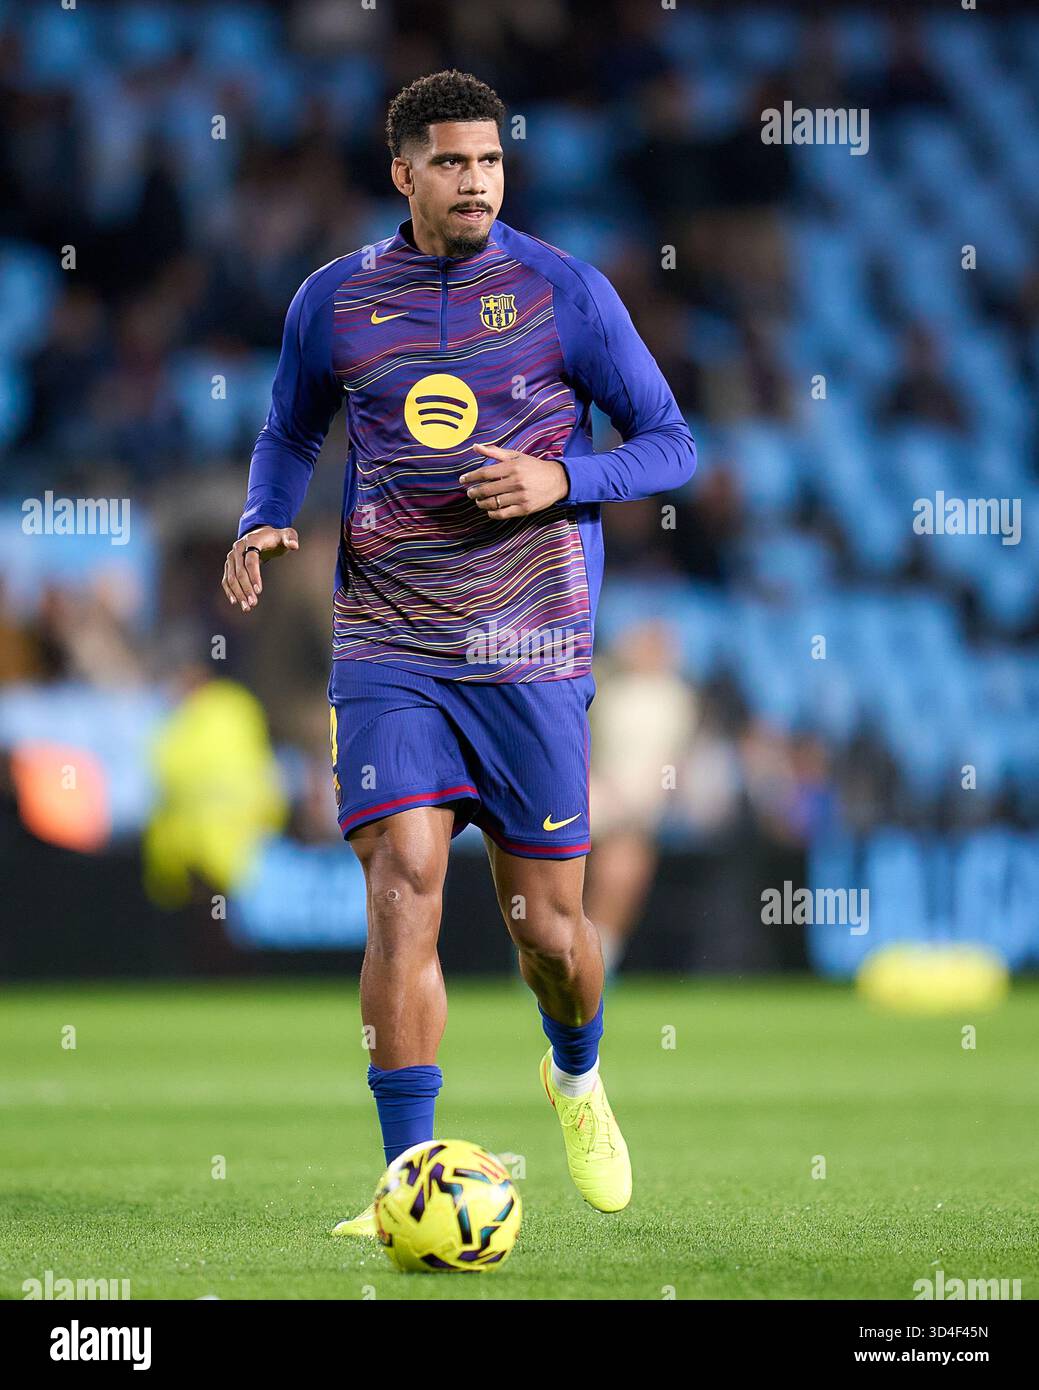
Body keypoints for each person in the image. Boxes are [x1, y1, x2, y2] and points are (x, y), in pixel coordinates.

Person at [221, 69, 696, 1233]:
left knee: (550, 937)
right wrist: (261, 515)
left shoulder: (562, 293)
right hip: (389, 644)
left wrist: (563, 477)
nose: (474, 179)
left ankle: (574, 1070)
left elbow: (673, 442)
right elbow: (288, 429)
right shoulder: (333, 300)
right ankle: (406, 1179)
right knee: (403, 893)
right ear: (404, 173)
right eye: (449, 162)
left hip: (532, 649)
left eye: (488, 160)